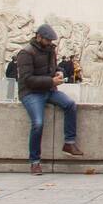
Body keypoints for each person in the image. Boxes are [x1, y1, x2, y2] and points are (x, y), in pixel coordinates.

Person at [15, 23, 84, 176]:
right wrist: (51, 81)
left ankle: (69, 143)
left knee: (70, 105)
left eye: (51, 41)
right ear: (38, 37)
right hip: (31, 93)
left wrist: (59, 72)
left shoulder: (50, 50)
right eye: (47, 40)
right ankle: (34, 162)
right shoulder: (25, 53)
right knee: (38, 123)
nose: (49, 43)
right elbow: (27, 80)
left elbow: (53, 69)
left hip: (48, 90)